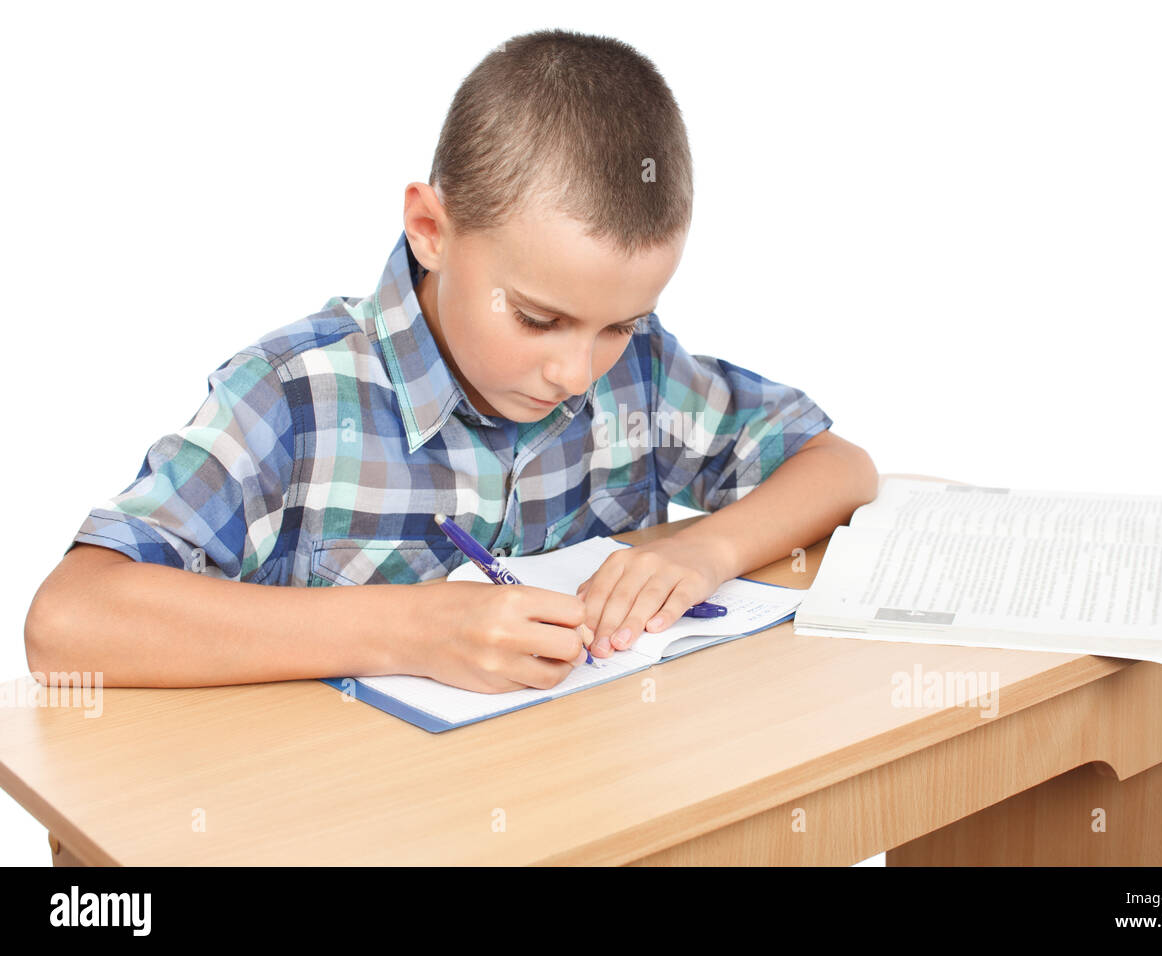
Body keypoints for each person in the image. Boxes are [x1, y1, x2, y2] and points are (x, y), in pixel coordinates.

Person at [25, 29, 877, 694]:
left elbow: (837, 466)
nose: (578, 373)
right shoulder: (295, 396)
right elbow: (68, 621)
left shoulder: (639, 373)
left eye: (620, 324)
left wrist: (707, 552)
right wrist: (410, 630)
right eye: (540, 318)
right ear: (431, 231)